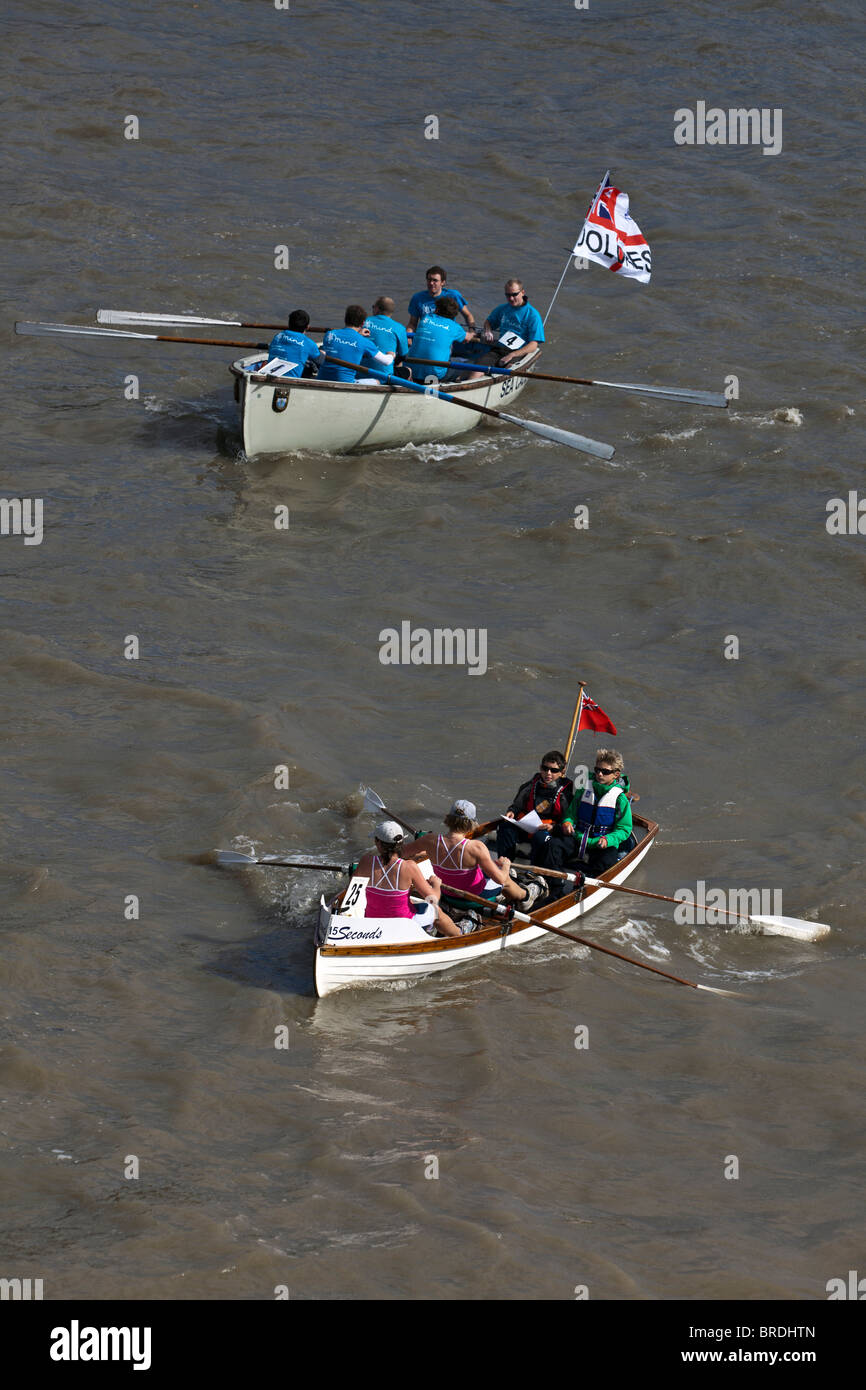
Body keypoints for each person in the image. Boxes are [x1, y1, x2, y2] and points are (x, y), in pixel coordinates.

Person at [405, 800, 542, 913]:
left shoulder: (429, 840)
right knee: (506, 879)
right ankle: (525, 898)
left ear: (449, 819)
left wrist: (421, 847)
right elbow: (500, 879)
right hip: (475, 898)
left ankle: (511, 890)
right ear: (471, 823)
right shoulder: (475, 847)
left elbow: (400, 852)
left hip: (447, 893)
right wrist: (505, 865)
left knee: (488, 871)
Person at [356, 820, 460, 938]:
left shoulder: (366, 861)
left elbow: (352, 888)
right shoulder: (408, 867)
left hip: (372, 921)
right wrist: (436, 884)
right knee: (436, 911)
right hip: (403, 923)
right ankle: (459, 937)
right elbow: (433, 898)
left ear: (377, 842)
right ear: (401, 843)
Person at [543, 749, 635, 880]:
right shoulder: (584, 789)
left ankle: (586, 887)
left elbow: (624, 829)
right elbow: (571, 813)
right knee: (553, 846)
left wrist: (608, 840)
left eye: (605, 771)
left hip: (602, 844)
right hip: (579, 838)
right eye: (597, 770)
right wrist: (567, 822)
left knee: (605, 863)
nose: (599, 774)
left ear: (616, 774)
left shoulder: (620, 799)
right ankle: (554, 884)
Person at [495, 750, 573, 867]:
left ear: (562, 772)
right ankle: (506, 865)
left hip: (549, 830)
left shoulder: (565, 794)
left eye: (554, 770)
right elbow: (517, 805)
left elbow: (568, 819)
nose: (548, 773)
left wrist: (553, 828)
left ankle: (533, 873)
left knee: (540, 837)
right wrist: (512, 812)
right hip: (527, 827)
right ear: (540, 767)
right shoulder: (531, 785)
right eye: (545, 768)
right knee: (505, 828)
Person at [466, 278, 545, 378]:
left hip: (519, 353)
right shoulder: (502, 309)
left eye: (514, 295)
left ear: (522, 292)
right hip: (499, 350)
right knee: (476, 370)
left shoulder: (533, 315)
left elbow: (533, 345)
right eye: (508, 295)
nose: (511, 298)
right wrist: (488, 330)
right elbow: (488, 322)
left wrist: (513, 355)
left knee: (507, 370)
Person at [318, 305, 395, 383]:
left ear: (345, 319)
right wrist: (391, 355)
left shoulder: (329, 334)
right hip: (346, 383)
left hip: (322, 378)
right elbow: (386, 362)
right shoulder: (364, 342)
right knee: (378, 381)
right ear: (362, 324)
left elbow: (344, 344)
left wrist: (358, 334)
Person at [406, 296, 474, 382]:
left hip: (411, 370)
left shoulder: (425, 318)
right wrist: (472, 333)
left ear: (437, 309)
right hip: (434, 376)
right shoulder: (454, 327)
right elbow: (467, 338)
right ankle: (456, 380)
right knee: (470, 363)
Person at [407, 266, 475, 332]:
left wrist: (472, 330)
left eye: (435, 280)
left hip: (446, 334)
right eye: (429, 280)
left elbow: (468, 315)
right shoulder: (417, 298)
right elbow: (412, 323)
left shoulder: (453, 296)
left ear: (443, 282)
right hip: (426, 333)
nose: (431, 283)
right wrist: (408, 336)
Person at [265, 309, 325, 378]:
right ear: (307, 327)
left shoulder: (278, 336)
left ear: (289, 324)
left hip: (270, 376)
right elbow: (321, 362)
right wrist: (322, 352)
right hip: (290, 382)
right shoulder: (308, 343)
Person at [364, 297, 410, 367]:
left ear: (377, 309)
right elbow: (403, 355)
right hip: (385, 375)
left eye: (373, 307)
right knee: (407, 370)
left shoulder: (363, 322)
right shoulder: (400, 328)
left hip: (360, 372)